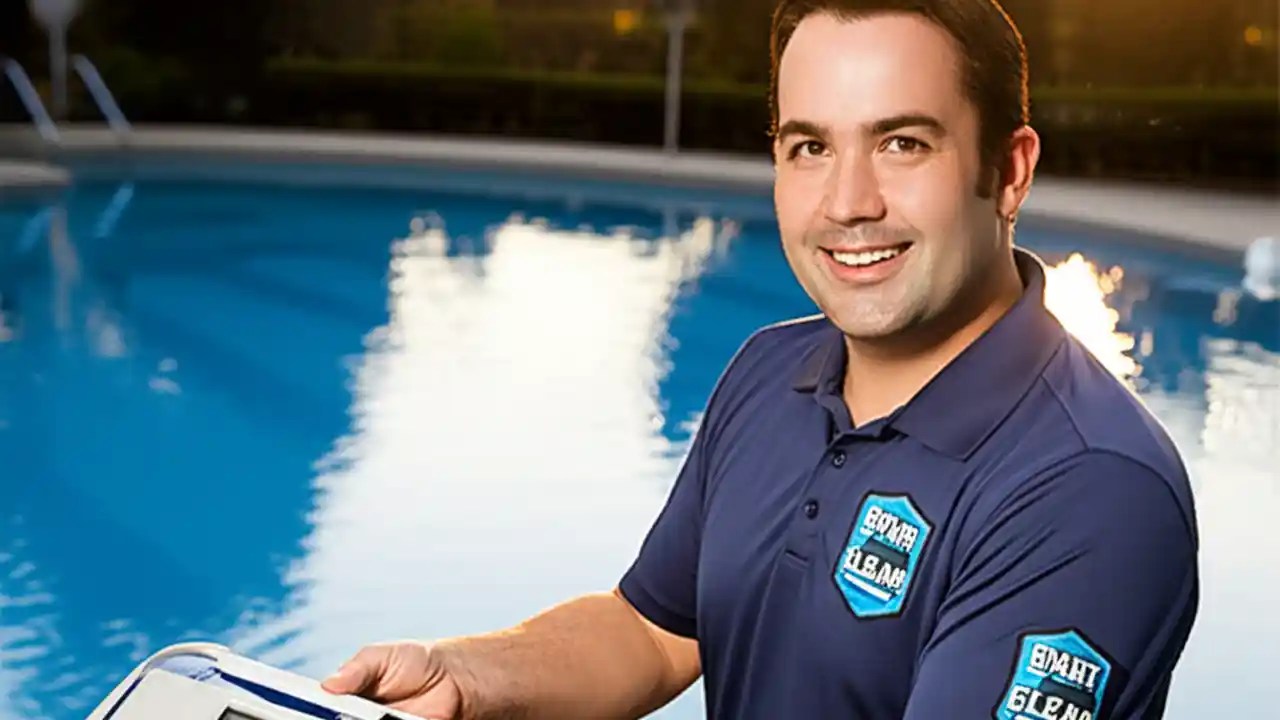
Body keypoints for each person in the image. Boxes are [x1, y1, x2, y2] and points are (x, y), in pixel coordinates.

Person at [322, 1, 1200, 718]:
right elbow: (654, 632)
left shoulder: (1092, 488)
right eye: (810, 147)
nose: (848, 204)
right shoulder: (768, 372)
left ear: (1008, 172)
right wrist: (467, 677)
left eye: (903, 143)